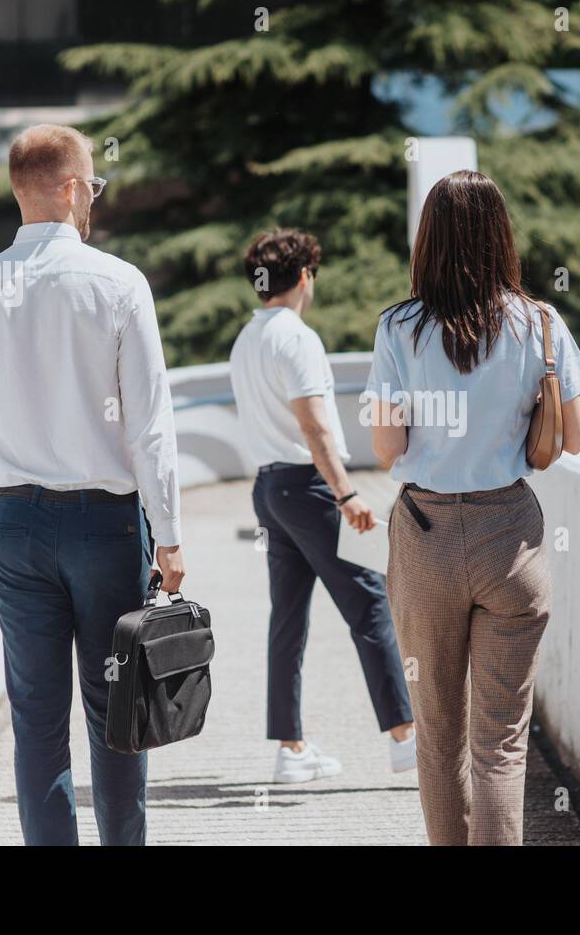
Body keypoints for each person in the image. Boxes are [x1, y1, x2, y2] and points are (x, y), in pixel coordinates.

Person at [0, 124, 184, 846]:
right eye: (93, 187)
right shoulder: (119, 284)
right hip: (105, 527)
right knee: (116, 714)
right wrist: (168, 536)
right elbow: (151, 428)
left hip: (14, 526)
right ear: (72, 189)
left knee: (37, 719)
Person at [364, 170, 580, 845]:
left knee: (438, 734)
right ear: (501, 238)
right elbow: (574, 437)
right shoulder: (541, 323)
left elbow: (385, 447)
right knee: (501, 743)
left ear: (427, 240)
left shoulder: (398, 328)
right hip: (511, 539)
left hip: (427, 535)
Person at [230, 228, 416, 784]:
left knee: (287, 618)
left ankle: (290, 749)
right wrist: (348, 493)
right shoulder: (298, 338)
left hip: (269, 489)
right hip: (310, 489)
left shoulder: (246, 340)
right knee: (369, 604)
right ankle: (406, 739)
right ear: (305, 276)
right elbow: (313, 425)